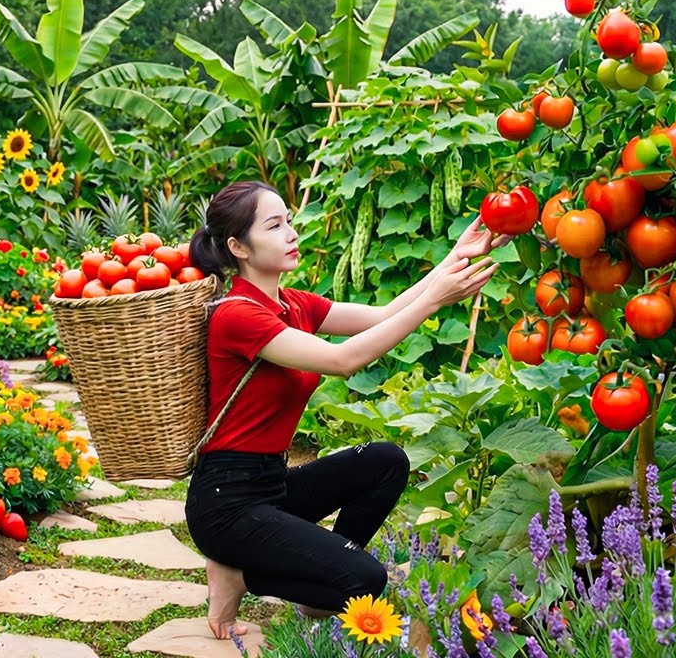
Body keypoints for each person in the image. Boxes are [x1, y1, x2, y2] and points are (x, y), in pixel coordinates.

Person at [184, 181, 508, 640]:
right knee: (366, 581)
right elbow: (343, 360)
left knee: (385, 462)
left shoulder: (293, 304)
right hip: (226, 504)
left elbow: (384, 313)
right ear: (238, 246)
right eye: (274, 226)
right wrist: (436, 299)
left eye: (289, 221)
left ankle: (320, 587)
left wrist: (456, 256)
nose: (291, 233)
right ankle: (238, 575)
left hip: (270, 486)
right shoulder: (238, 314)